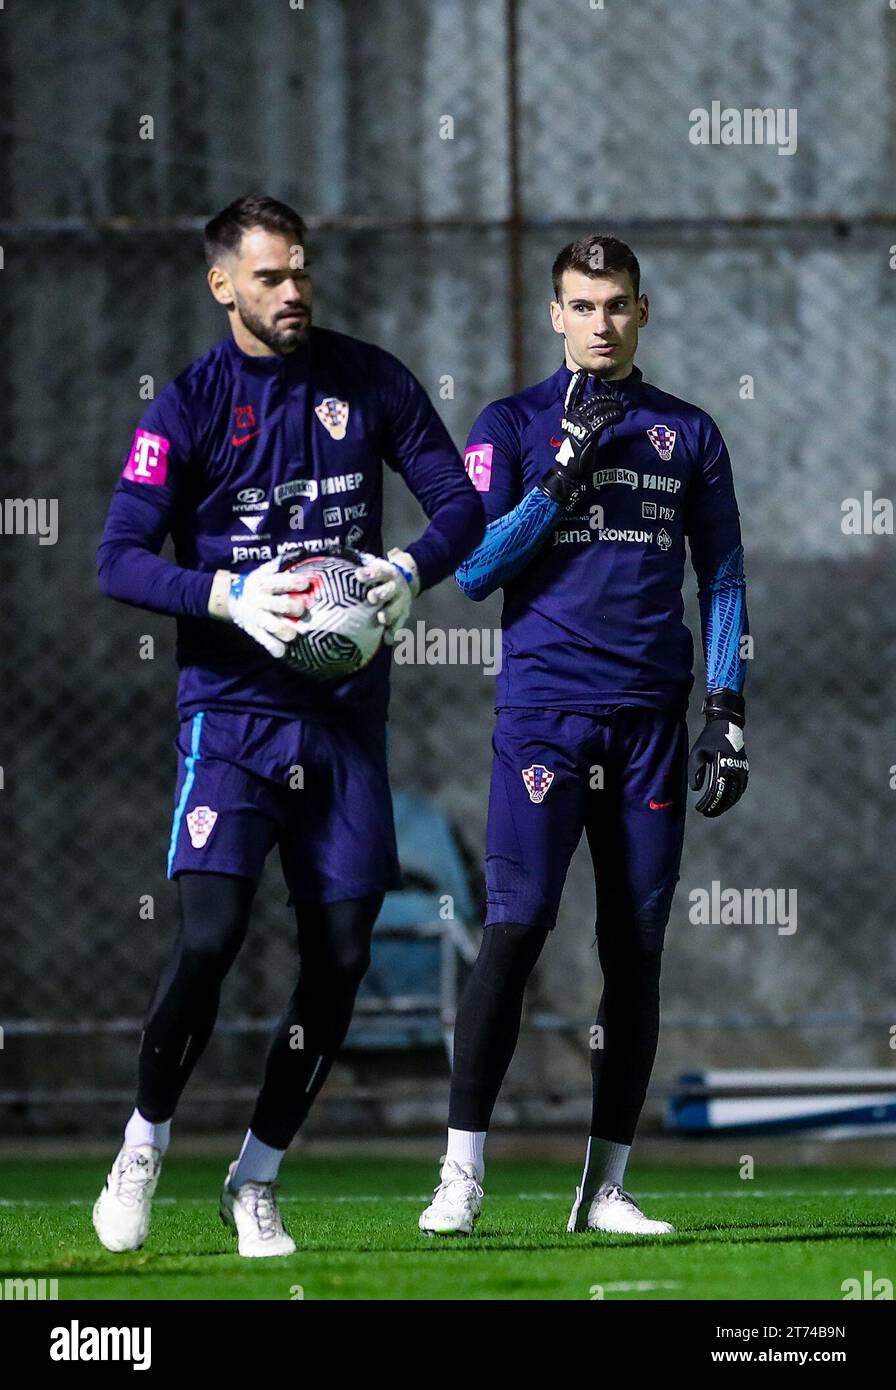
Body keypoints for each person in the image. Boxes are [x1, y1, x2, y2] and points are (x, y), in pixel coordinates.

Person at [93, 194, 484, 1257]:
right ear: (224, 284)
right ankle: (144, 1140)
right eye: (269, 276)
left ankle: (255, 1176)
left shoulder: (369, 381)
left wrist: (407, 569)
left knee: (343, 954)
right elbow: (117, 557)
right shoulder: (187, 405)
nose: (293, 290)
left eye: (300, 270)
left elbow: (461, 506)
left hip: (345, 722)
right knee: (212, 935)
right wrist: (226, 596)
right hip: (230, 716)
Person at [419, 233, 749, 1237]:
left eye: (616, 305)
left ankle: (604, 1188)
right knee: (514, 929)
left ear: (640, 313)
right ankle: (460, 1175)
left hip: (650, 719)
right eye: (581, 305)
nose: (599, 322)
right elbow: (475, 571)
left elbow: (722, 577)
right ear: (554, 314)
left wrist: (724, 709)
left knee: (634, 949)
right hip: (544, 717)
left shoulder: (684, 432)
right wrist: (559, 475)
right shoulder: (509, 422)